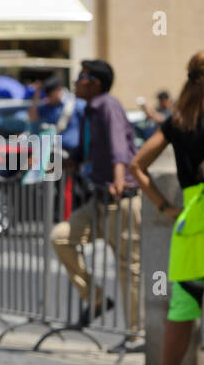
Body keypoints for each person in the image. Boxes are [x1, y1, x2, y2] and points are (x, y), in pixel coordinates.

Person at [127, 51, 204, 365]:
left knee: (183, 307)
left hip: (191, 217)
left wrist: (164, 206)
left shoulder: (179, 121)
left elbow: (137, 165)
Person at [49, 59, 142, 339]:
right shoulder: (89, 110)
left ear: (95, 83)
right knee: (61, 237)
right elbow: (83, 154)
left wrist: (118, 180)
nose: (76, 82)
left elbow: (118, 149)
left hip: (119, 198)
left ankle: (137, 334)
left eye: (81, 77)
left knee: (128, 267)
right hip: (98, 200)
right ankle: (97, 299)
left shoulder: (108, 105)